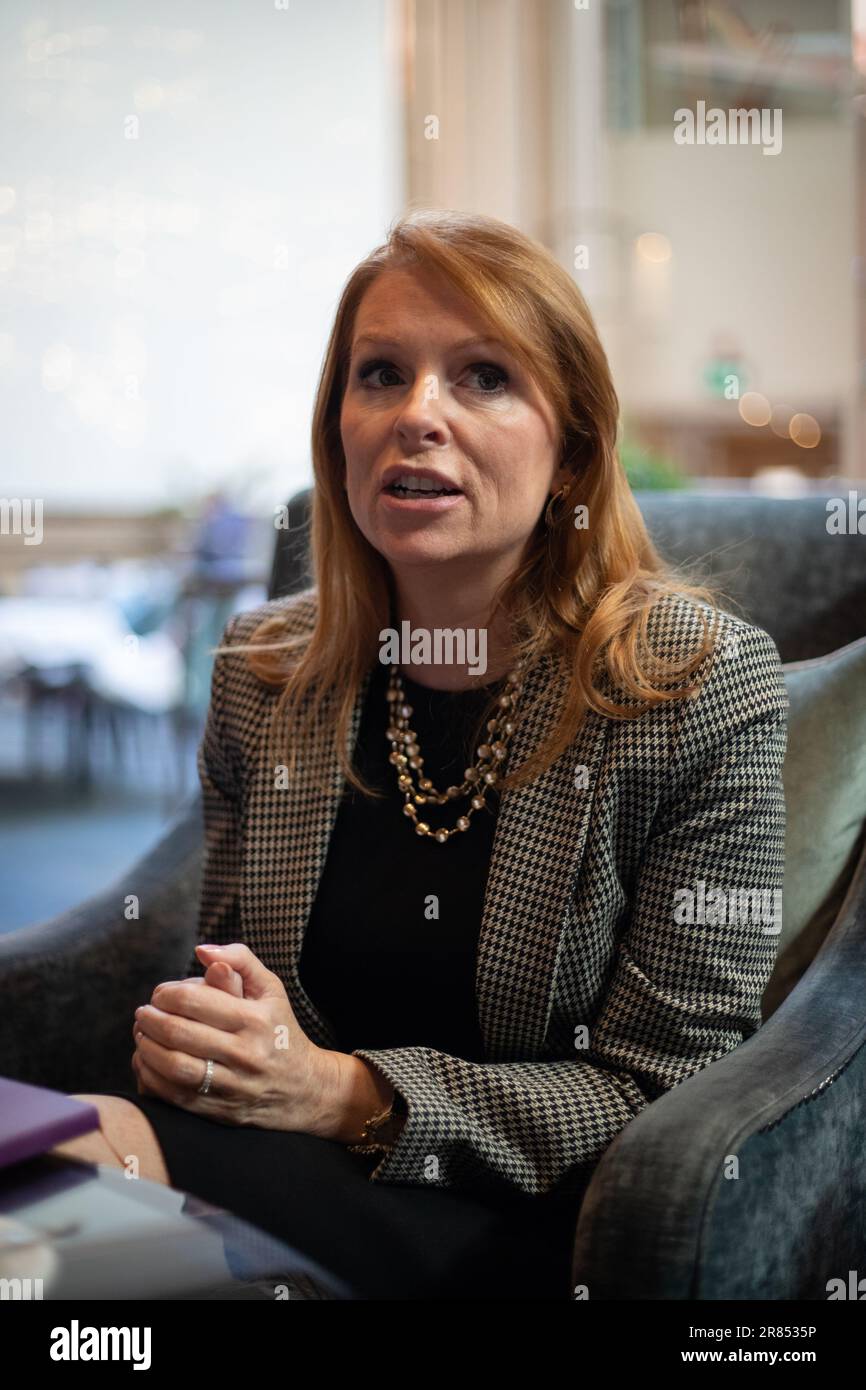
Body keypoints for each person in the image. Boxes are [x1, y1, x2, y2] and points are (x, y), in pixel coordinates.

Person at [52, 209, 788, 1300]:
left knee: (75, 1193)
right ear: (336, 427)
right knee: (63, 1197)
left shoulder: (692, 687)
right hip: (274, 1164)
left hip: (541, 1218)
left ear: (571, 447)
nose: (417, 416)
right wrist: (215, 1040)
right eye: (381, 373)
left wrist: (343, 1093)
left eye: (483, 376)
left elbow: (667, 1090)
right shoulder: (266, 674)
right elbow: (234, 983)